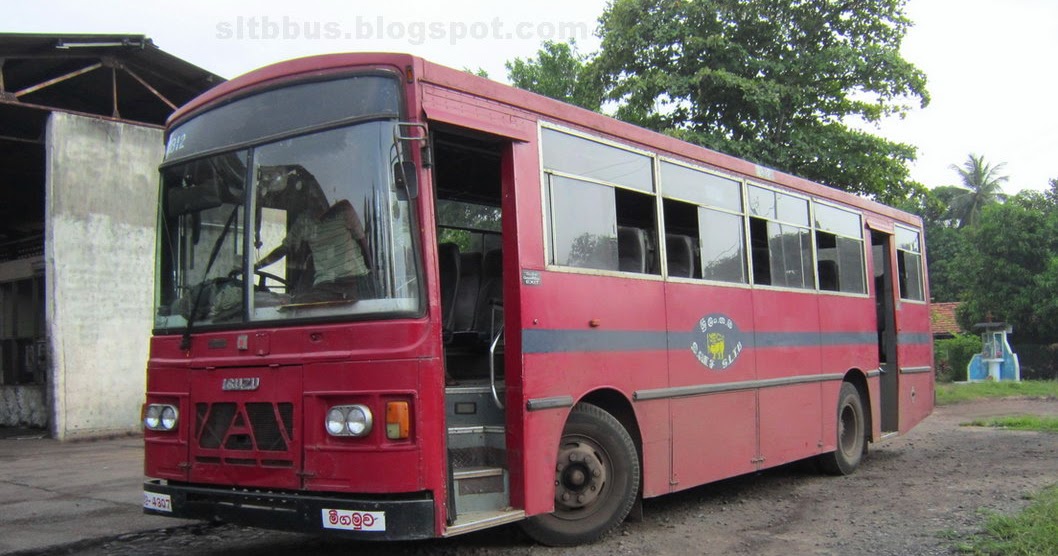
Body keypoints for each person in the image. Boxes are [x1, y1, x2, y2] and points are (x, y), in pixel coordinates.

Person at [256, 198, 375, 303]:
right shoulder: (304, 221)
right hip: (325, 285)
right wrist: (256, 266)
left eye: (319, 196)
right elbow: (283, 249)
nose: (316, 200)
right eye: (311, 196)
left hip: (354, 280)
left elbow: (362, 243)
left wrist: (372, 274)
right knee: (295, 305)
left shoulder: (344, 209)